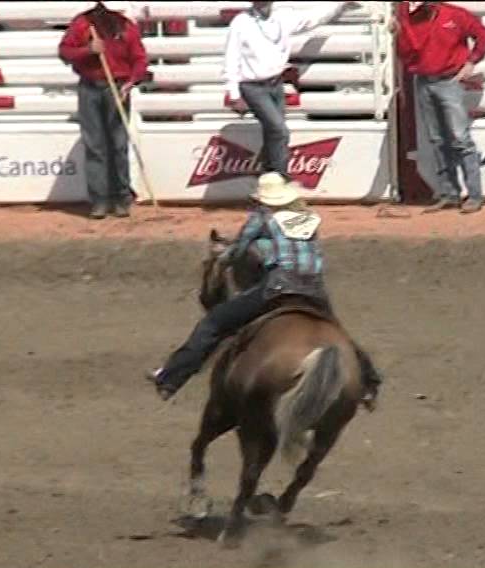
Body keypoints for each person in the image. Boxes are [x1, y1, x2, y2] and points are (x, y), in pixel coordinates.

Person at [147, 173, 383, 408]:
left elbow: (240, 250)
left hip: (279, 286)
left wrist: (223, 254)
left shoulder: (263, 217)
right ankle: (368, 382)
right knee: (339, 332)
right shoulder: (309, 218)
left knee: (213, 324)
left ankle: (170, 378)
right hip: (314, 288)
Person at [223, 1, 360, 180]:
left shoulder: (282, 17)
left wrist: (339, 5)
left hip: (275, 83)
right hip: (252, 86)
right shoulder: (241, 22)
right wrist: (234, 93)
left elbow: (311, 18)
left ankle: (268, 179)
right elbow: (231, 57)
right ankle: (280, 177)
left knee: (273, 132)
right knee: (279, 130)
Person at [395, 1, 485, 214]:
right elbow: (407, 51)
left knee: (459, 138)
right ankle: (450, 193)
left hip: (448, 80)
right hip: (425, 80)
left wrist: (471, 62)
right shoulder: (409, 19)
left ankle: (473, 195)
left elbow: (483, 36)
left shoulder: (455, 15)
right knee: (438, 139)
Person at [59, 1, 148, 219]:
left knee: (118, 144)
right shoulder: (82, 23)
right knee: (95, 145)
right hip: (90, 86)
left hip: (118, 86)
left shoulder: (126, 26)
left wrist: (132, 81)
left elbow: (139, 58)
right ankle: (100, 199)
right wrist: (88, 50)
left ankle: (121, 198)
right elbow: (65, 52)